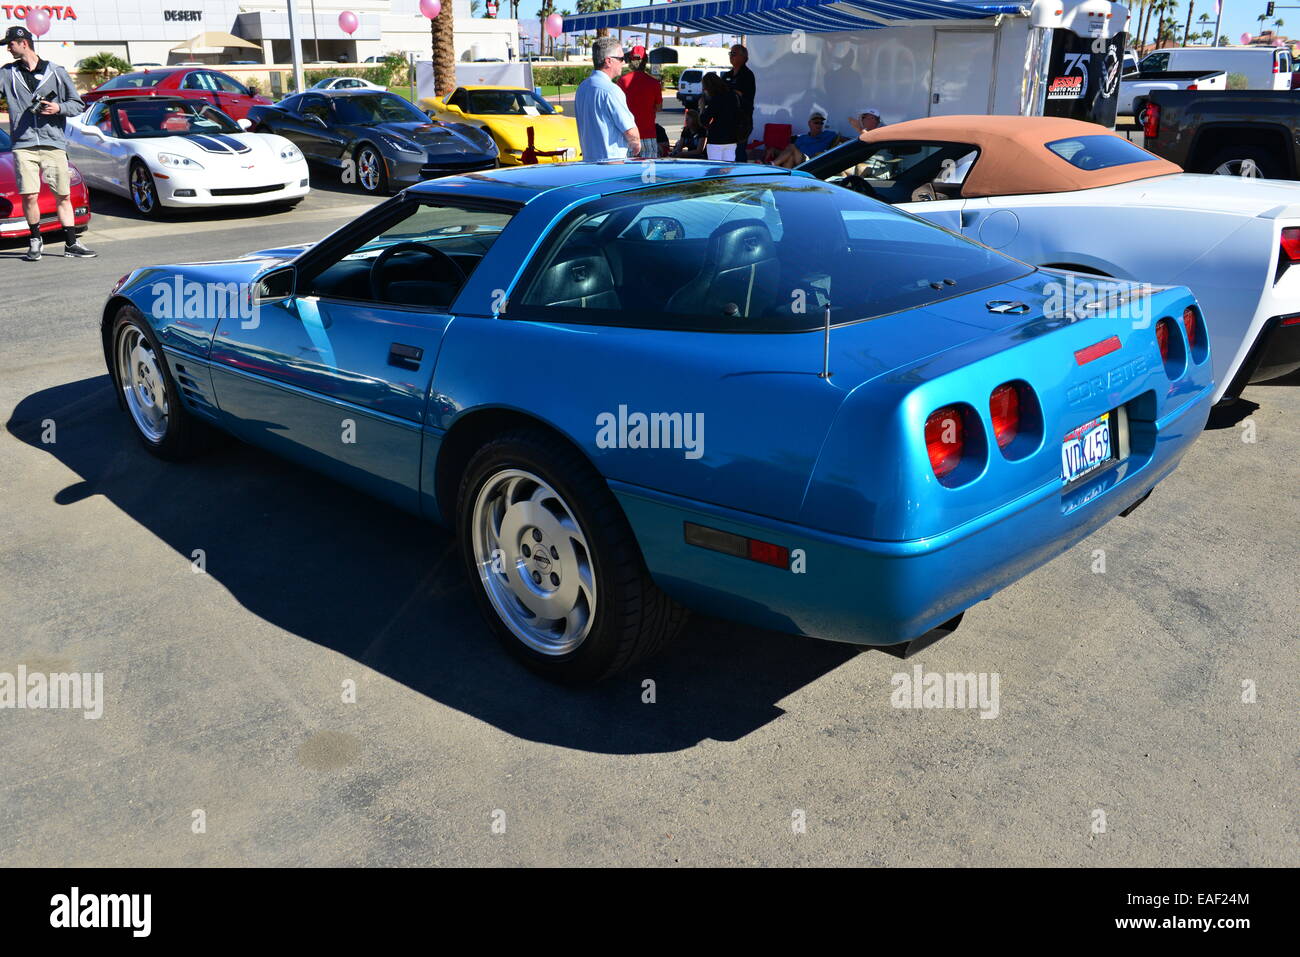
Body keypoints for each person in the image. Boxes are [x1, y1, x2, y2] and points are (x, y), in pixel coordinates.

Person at [1, 25, 95, 260]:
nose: (8, 49)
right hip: (23, 145)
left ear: (24, 43)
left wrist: (58, 108)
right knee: (29, 195)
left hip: (53, 143)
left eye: (10, 44)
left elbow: (78, 104)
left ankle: (71, 244)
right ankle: (35, 240)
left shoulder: (56, 71)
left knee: (63, 194)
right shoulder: (6, 73)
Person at [574, 36, 640, 161]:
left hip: (589, 162)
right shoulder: (611, 90)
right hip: (611, 163)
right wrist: (636, 145)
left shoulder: (582, 87)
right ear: (608, 61)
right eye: (621, 58)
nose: (623, 62)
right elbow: (630, 131)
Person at [614, 45, 662, 158]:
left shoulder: (622, 81)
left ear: (630, 60)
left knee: (629, 172)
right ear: (645, 60)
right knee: (648, 173)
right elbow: (659, 107)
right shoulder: (654, 83)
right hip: (649, 134)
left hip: (628, 134)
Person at [765, 111, 838, 167]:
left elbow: (845, 141)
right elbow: (787, 153)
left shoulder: (828, 134)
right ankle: (785, 181)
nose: (819, 125)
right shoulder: (802, 138)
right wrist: (774, 150)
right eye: (816, 122)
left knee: (792, 146)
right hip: (800, 160)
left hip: (813, 161)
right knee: (790, 157)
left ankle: (771, 165)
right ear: (809, 123)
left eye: (821, 123)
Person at [721, 44, 755, 161]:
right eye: (730, 53)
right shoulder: (727, 75)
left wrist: (730, 92)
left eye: (734, 54)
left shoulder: (747, 75)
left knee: (739, 151)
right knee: (727, 152)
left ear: (743, 57)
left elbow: (741, 95)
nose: (731, 56)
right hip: (727, 120)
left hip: (742, 121)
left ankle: (741, 176)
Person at [698, 72, 740, 162]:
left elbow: (704, 120)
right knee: (729, 168)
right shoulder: (732, 96)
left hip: (716, 139)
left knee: (715, 169)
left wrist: (702, 108)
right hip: (731, 138)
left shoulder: (715, 99)